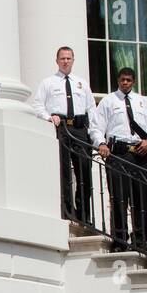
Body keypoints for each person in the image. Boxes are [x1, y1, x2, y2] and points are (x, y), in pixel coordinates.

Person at [32, 46, 100, 221]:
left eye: (68, 58)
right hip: (61, 128)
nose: (65, 61)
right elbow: (38, 105)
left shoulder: (82, 83)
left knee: (84, 171)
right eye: (62, 58)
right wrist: (48, 117)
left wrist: (96, 136)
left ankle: (84, 213)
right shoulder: (48, 82)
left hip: (80, 129)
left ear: (73, 60)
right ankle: (67, 211)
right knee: (63, 172)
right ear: (57, 61)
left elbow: (91, 110)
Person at [92, 65, 147, 244]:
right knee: (120, 198)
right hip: (119, 154)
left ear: (133, 82)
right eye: (122, 80)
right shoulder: (108, 101)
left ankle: (140, 241)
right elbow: (96, 127)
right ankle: (120, 239)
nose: (125, 83)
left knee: (142, 200)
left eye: (129, 80)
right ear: (118, 81)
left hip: (140, 153)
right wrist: (101, 143)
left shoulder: (142, 101)